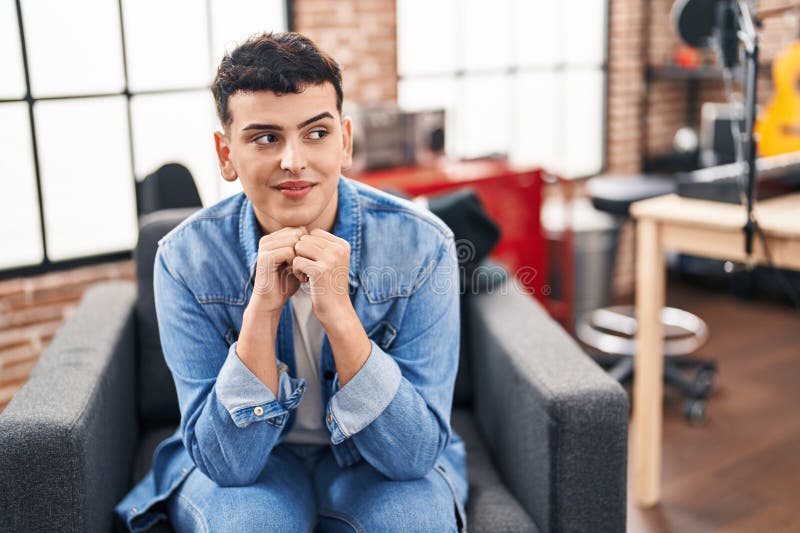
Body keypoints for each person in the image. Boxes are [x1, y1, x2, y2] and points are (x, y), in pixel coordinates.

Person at [115, 31, 467, 532]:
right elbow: (229, 466)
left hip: (373, 462)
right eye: (266, 138)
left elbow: (411, 456)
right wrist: (262, 309)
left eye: (317, 133)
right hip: (260, 466)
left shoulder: (424, 245)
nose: (294, 161)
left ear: (345, 141)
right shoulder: (183, 259)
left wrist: (339, 315)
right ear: (226, 154)